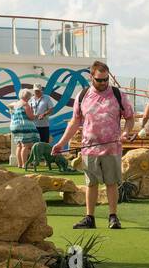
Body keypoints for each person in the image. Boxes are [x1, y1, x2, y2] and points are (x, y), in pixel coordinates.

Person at [53, 61, 134, 229]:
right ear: (91, 77)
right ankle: (89, 218)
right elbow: (75, 122)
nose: (103, 83)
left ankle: (113, 217)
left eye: (106, 80)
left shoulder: (118, 94)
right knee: (91, 183)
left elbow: (130, 118)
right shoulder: (82, 96)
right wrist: (61, 143)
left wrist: (125, 132)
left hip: (112, 147)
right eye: (99, 80)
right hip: (89, 147)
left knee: (111, 183)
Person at [8, 99, 40, 168]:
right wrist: (37, 116)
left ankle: (20, 164)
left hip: (15, 126)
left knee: (19, 145)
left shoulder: (15, 105)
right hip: (24, 127)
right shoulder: (25, 105)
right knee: (25, 146)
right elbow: (31, 117)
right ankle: (25, 164)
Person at [27, 85, 56, 149]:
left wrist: (44, 114)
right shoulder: (31, 99)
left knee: (44, 143)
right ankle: (36, 157)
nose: (36, 92)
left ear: (41, 90)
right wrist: (31, 115)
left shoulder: (47, 98)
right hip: (33, 125)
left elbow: (51, 109)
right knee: (34, 144)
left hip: (44, 125)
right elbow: (28, 109)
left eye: (38, 91)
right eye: (35, 91)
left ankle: (45, 157)